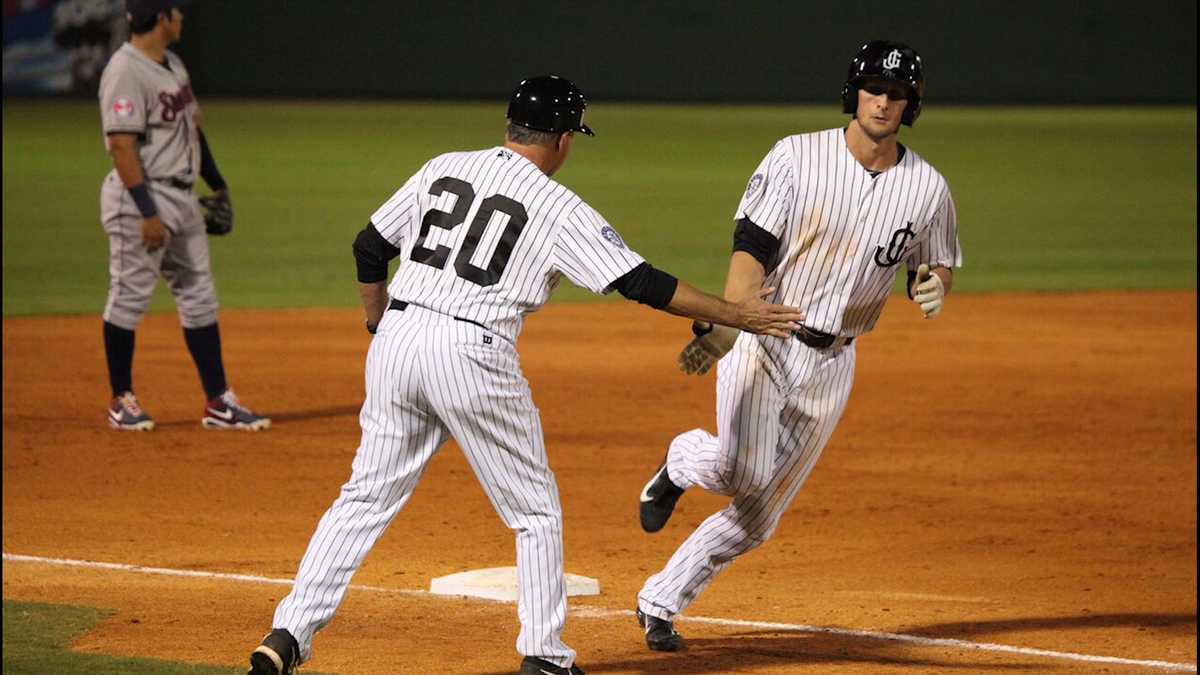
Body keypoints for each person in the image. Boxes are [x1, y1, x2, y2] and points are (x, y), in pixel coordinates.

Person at [245, 75, 805, 675]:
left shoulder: (444, 167)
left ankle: (288, 634)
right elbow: (640, 283)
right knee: (534, 512)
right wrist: (734, 313)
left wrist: (378, 322)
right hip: (472, 351)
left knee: (363, 498)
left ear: (509, 126)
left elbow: (367, 246)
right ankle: (544, 655)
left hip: (398, 343)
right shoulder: (558, 207)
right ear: (563, 139)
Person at [634, 40, 962, 652]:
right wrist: (730, 325)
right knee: (741, 470)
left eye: (896, 93)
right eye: (873, 88)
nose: (883, 101)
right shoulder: (795, 157)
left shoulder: (927, 189)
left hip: (836, 360)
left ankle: (659, 601)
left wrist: (935, 285)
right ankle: (683, 459)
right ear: (852, 92)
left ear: (911, 104)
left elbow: (938, 260)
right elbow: (750, 249)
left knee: (758, 518)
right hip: (768, 333)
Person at [98, 0, 269, 431]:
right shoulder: (125, 70)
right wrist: (147, 212)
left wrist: (216, 182)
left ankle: (217, 401)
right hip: (141, 198)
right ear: (161, 18)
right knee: (129, 297)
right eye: (176, 12)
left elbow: (193, 128)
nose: (182, 18)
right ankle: (121, 399)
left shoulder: (173, 64)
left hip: (183, 196)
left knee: (199, 300)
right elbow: (121, 145)